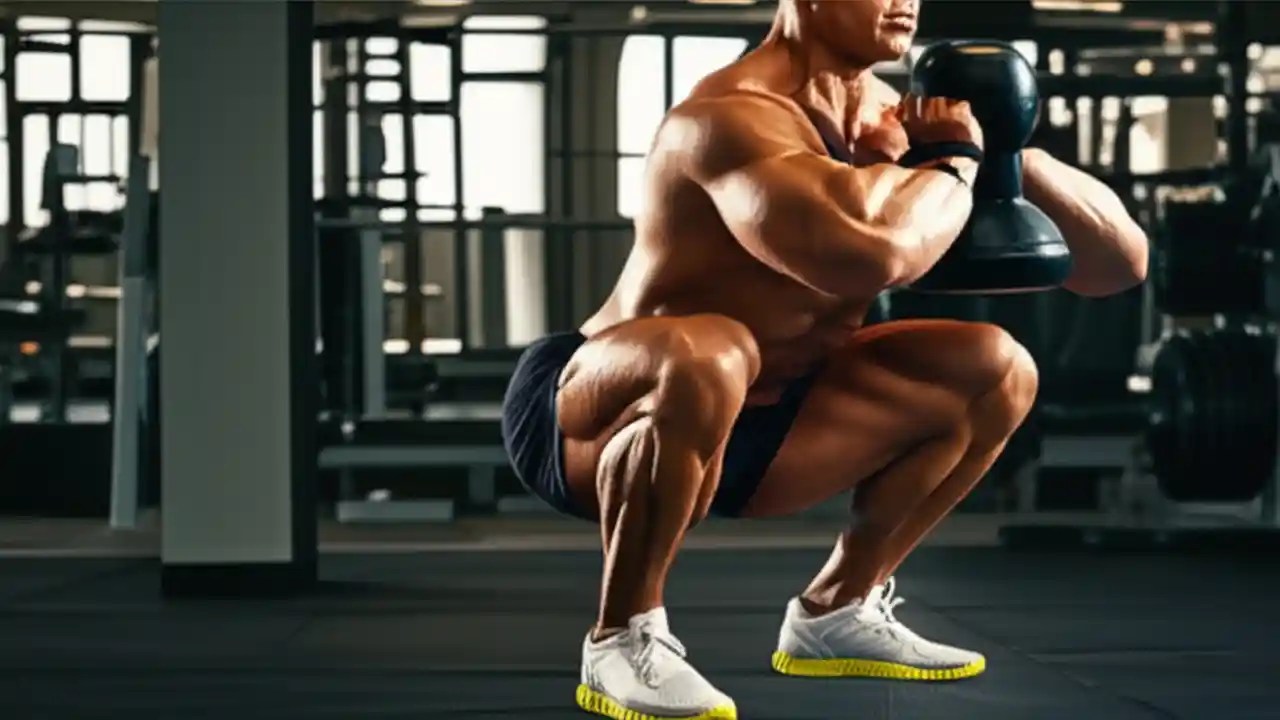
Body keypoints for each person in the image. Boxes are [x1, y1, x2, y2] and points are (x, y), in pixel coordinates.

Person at [502, 0, 1149, 717]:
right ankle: (621, 639)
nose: (903, 0)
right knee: (713, 347)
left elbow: (1117, 268)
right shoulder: (728, 119)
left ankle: (838, 610)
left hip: (771, 426)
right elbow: (872, 252)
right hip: (601, 415)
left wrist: (1008, 155)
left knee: (996, 366)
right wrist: (954, 164)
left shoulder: (906, 119)